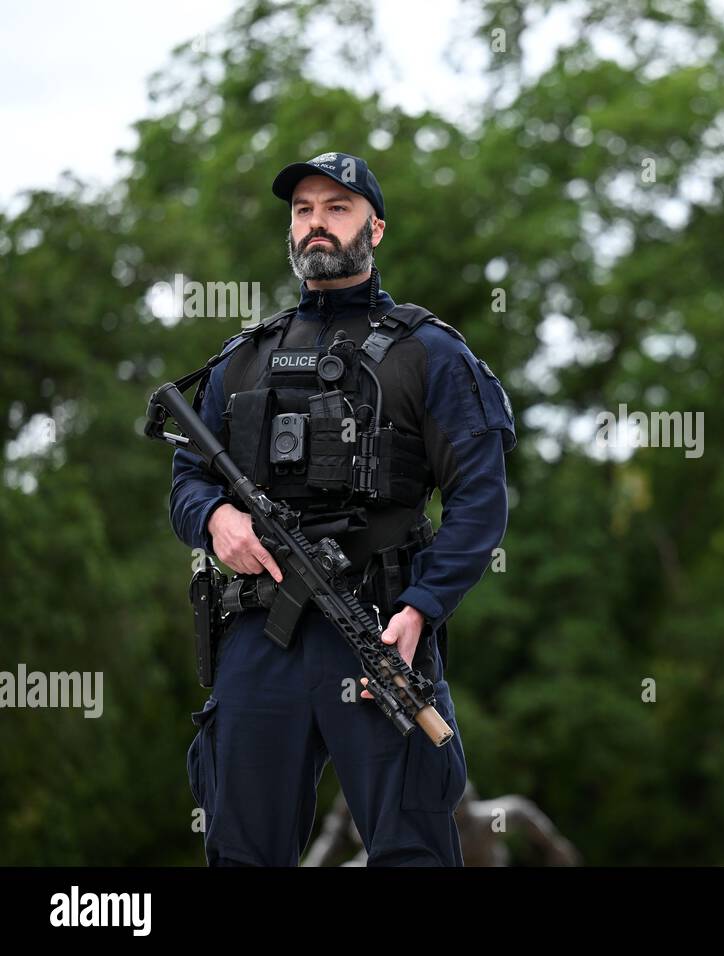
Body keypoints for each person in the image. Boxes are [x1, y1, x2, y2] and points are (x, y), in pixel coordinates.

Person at [168, 150, 516, 866]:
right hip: (259, 637)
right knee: (242, 850)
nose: (316, 225)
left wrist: (422, 606)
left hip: (381, 630)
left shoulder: (429, 354)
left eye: (337, 208)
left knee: (411, 848)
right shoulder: (242, 358)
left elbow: (480, 501)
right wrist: (214, 518)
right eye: (303, 211)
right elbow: (187, 480)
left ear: (375, 229)